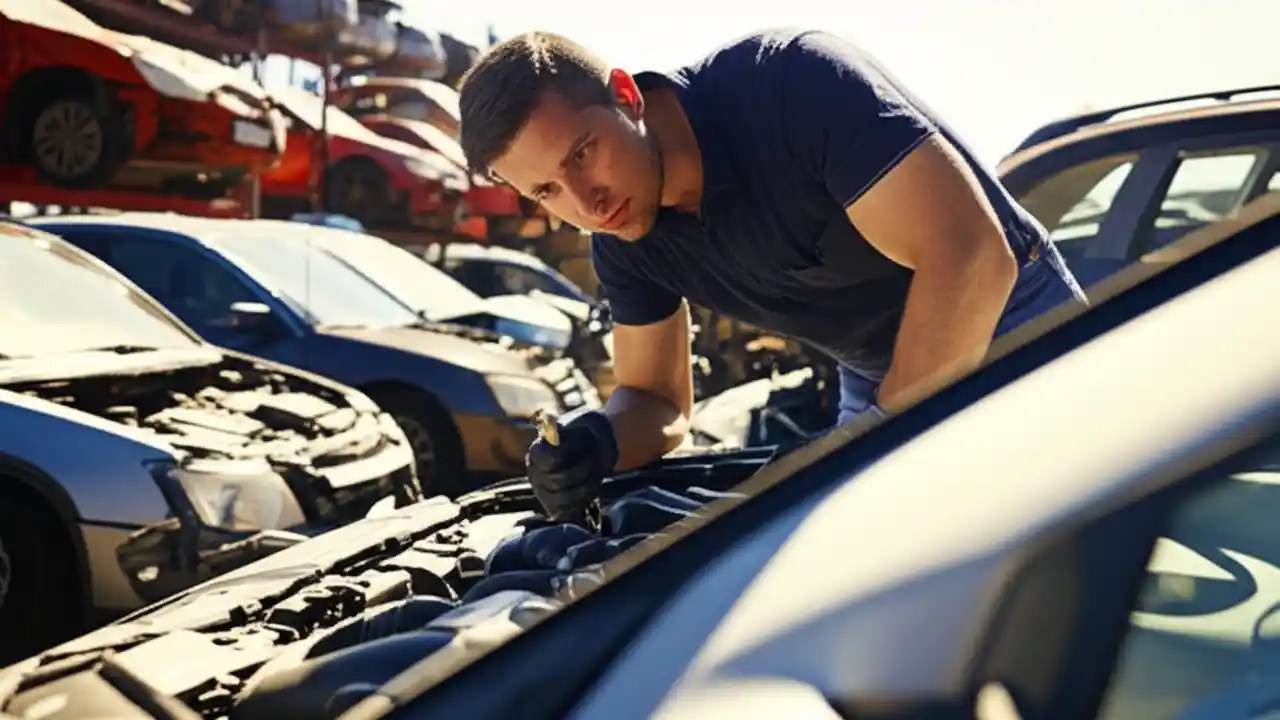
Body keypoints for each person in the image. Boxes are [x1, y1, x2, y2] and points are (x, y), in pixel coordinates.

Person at [457, 28, 1087, 520]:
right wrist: (595, 441)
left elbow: (971, 256)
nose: (585, 203)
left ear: (626, 96)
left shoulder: (791, 85)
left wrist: (878, 450)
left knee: (1079, 564)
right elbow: (656, 402)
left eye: (583, 154)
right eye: (546, 190)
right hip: (875, 378)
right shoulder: (624, 238)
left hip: (1011, 318)